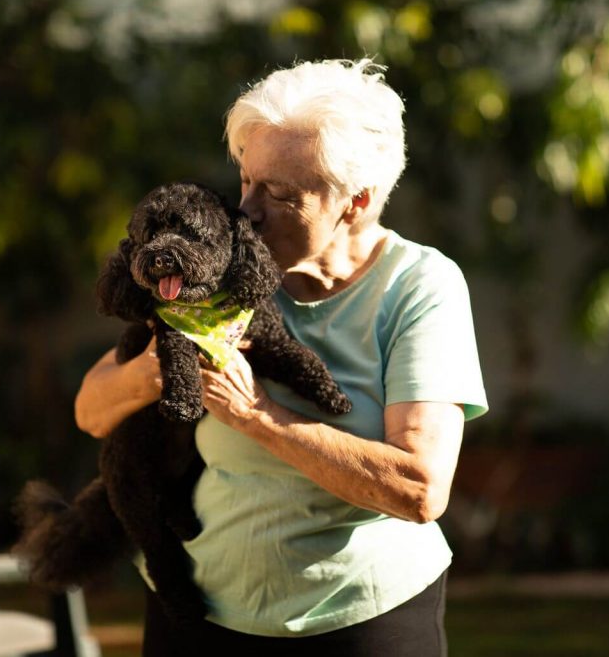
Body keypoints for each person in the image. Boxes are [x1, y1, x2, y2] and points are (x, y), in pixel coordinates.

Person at [74, 59, 487, 656]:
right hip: (196, 608)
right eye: (246, 180)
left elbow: (419, 488)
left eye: (280, 193)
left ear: (356, 201)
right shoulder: (218, 265)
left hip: (362, 618)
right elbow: (91, 410)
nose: (246, 209)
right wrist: (161, 366)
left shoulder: (419, 286)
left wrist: (258, 416)